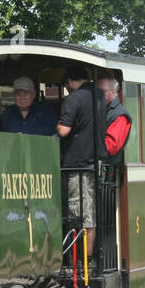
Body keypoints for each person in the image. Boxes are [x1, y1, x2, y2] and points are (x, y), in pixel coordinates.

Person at [57, 66, 97, 254]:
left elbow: (64, 130)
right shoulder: (99, 96)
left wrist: (57, 125)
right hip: (93, 162)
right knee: (87, 213)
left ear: (70, 83)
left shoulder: (74, 98)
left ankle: (81, 262)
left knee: (78, 214)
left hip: (77, 164)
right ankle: (86, 260)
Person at [99, 76, 132, 164]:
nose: (98, 95)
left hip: (106, 168)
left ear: (113, 92)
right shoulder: (104, 110)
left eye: (102, 91)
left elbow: (110, 147)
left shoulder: (120, 115)